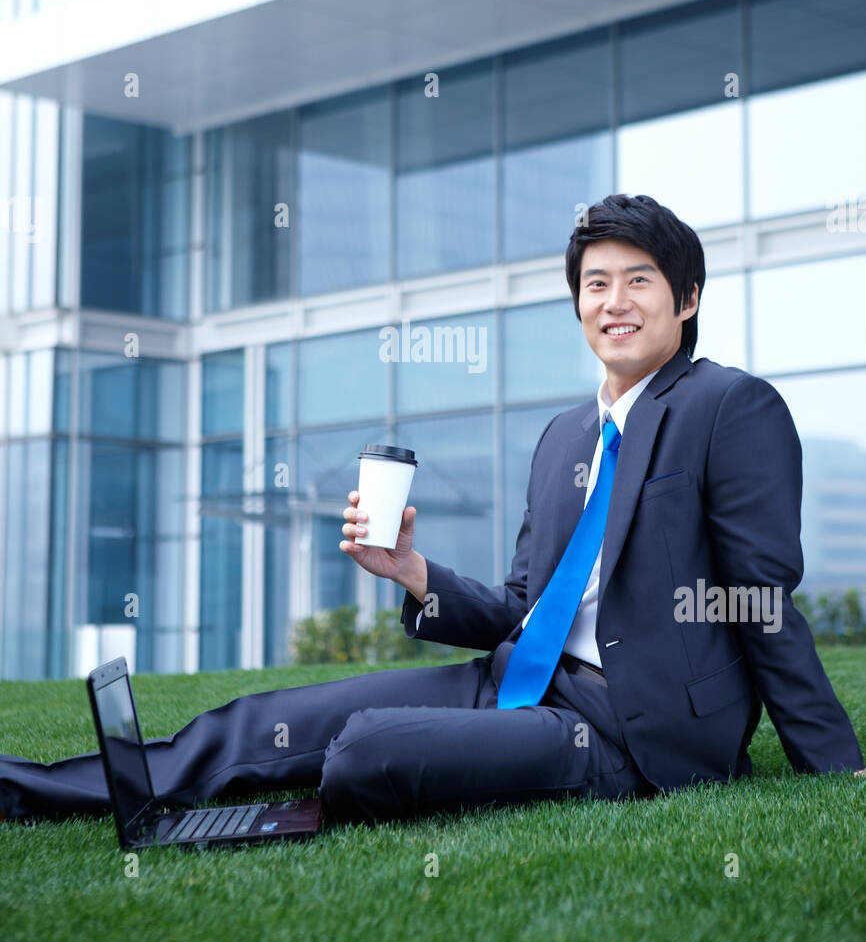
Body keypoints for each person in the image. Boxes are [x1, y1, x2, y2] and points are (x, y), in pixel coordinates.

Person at [2, 193, 862, 827]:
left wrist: (835, 769)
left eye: (640, 280)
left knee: (367, 747)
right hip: (517, 681)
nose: (615, 302)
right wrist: (412, 574)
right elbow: (524, 607)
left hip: (630, 733)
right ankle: (25, 790)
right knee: (263, 722)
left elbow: (758, 600)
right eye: (596, 283)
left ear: (687, 299)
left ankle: (258, 815)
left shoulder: (729, 406)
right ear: (577, 304)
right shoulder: (568, 435)